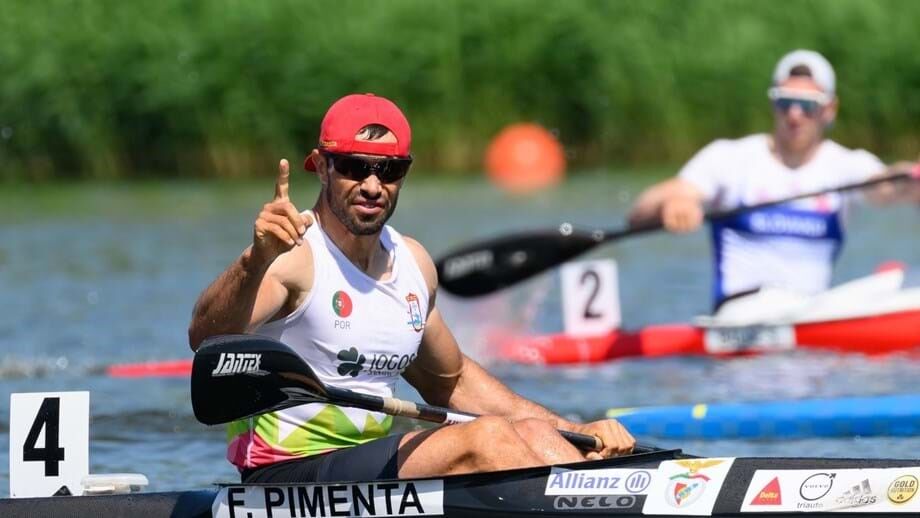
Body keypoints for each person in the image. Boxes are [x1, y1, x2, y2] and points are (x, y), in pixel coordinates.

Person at [188, 93, 635, 483]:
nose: (371, 185)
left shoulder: (413, 265)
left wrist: (578, 432)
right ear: (322, 167)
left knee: (533, 432)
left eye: (389, 170)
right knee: (487, 436)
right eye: (353, 167)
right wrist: (255, 259)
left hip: (367, 471)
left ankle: (602, 491)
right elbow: (205, 337)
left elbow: (453, 381)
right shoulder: (294, 257)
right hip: (287, 474)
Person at [628, 49, 920, 308]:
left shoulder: (845, 165)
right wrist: (675, 204)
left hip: (812, 327)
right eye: (785, 102)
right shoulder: (730, 158)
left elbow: (888, 186)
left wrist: (913, 177)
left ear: (829, 110)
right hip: (738, 323)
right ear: (773, 104)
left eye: (808, 105)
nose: (794, 115)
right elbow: (641, 209)